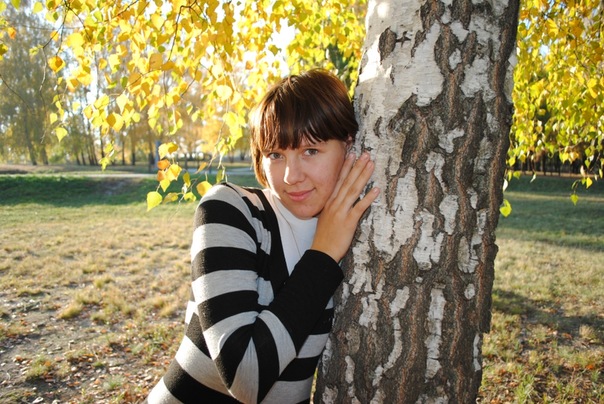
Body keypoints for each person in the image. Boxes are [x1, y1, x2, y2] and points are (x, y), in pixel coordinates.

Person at [146, 69, 380, 403]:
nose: (291, 176)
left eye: (311, 151)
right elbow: (245, 378)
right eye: (275, 155)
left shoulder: (360, 230)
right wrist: (324, 254)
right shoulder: (230, 210)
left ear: (349, 144)